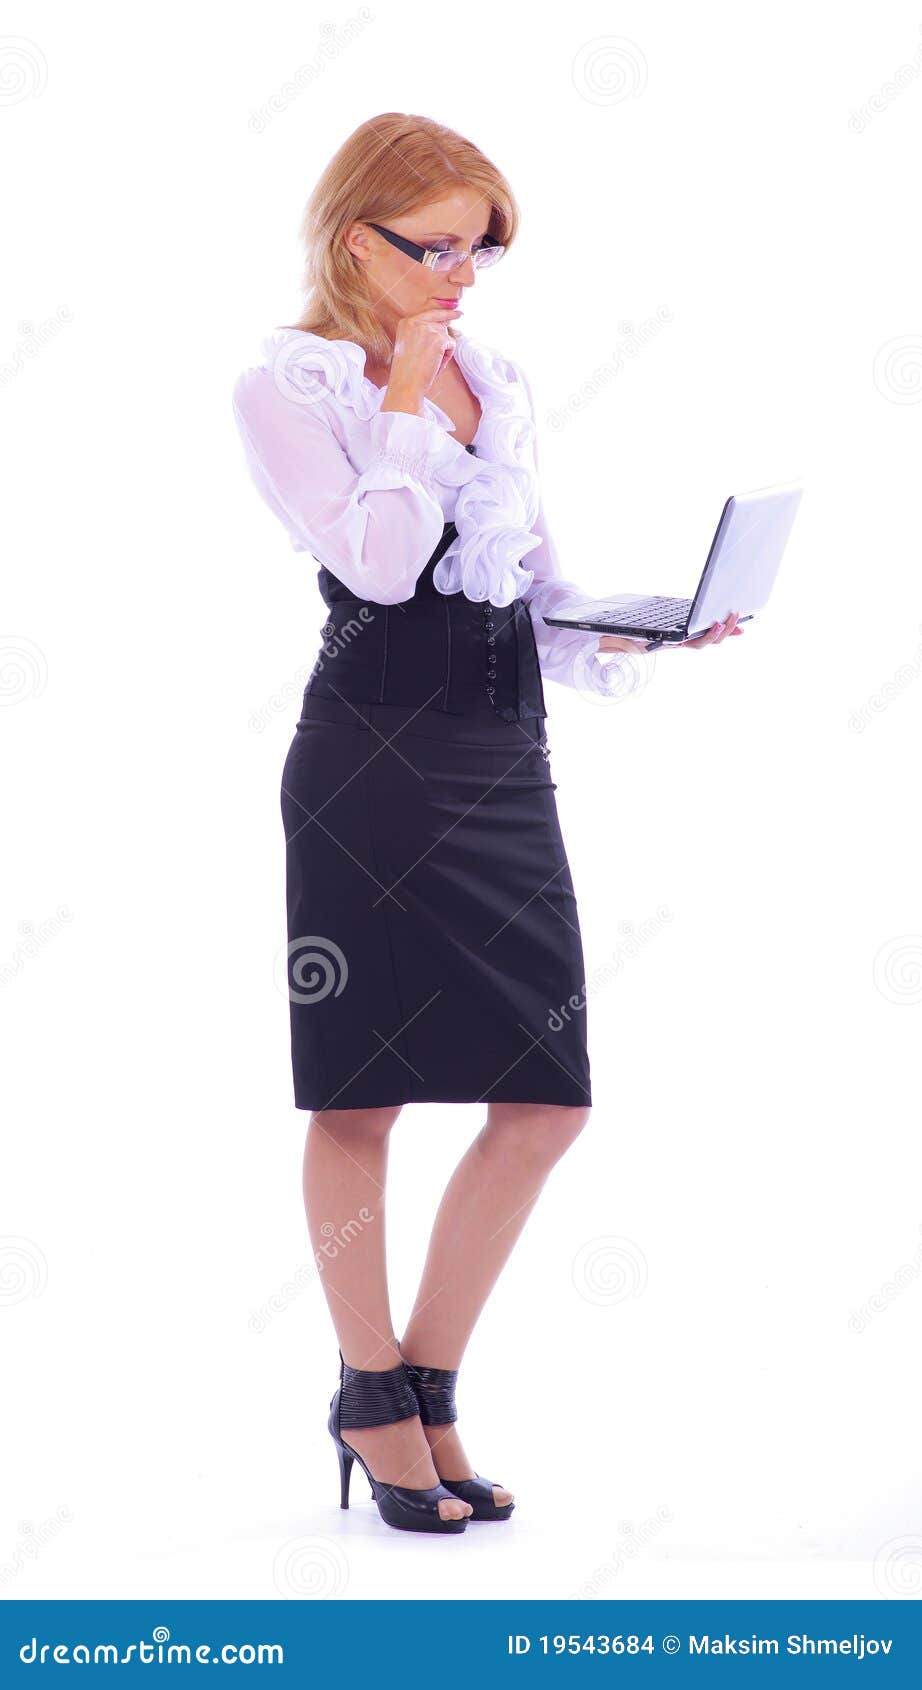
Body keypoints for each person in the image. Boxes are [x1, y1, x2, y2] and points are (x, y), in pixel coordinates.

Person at [232, 112, 741, 1536]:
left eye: (480, 250)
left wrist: (645, 629)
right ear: (357, 240)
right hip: (370, 765)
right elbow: (381, 570)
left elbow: (527, 581)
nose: (463, 277)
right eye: (436, 248)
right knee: (360, 1092)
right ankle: (369, 1389)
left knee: (546, 1097)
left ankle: (425, 1378)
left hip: (497, 760)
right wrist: (398, 393)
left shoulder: (494, 375)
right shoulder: (290, 384)